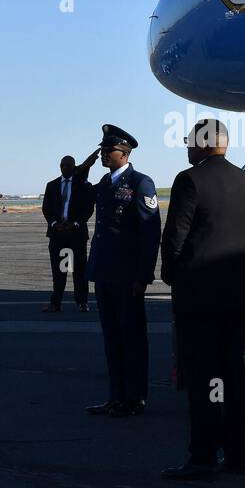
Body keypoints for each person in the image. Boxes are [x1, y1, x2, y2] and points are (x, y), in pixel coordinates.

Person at [159, 119, 245, 479]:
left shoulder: (190, 180)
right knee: (234, 376)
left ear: (203, 143)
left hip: (199, 298)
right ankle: (239, 453)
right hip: (236, 296)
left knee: (202, 378)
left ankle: (202, 455)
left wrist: (172, 277)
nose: (186, 146)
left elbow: (174, 239)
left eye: (189, 141)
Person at [85, 124, 161, 418]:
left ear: (123, 153)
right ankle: (115, 396)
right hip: (104, 271)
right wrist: (85, 167)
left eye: (108, 151)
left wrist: (143, 276)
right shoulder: (104, 184)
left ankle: (135, 397)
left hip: (127, 275)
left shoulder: (141, 183)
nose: (103, 154)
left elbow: (149, 232)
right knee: (111, 336)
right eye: (102, 150)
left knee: (132, 337)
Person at [41, 155, 94, 313]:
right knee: (59, 271)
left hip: (76, 235)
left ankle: (82, 302)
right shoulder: (52, 185)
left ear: (74, 166)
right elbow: (46, 208)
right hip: (57, 235)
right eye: (63, 165)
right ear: (59, 166)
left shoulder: (83, 185)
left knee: (79, 270)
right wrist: (54, 224)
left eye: (69, 165)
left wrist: (76, 223)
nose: (65, 168)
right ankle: (55, 303)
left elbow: (88, 209)